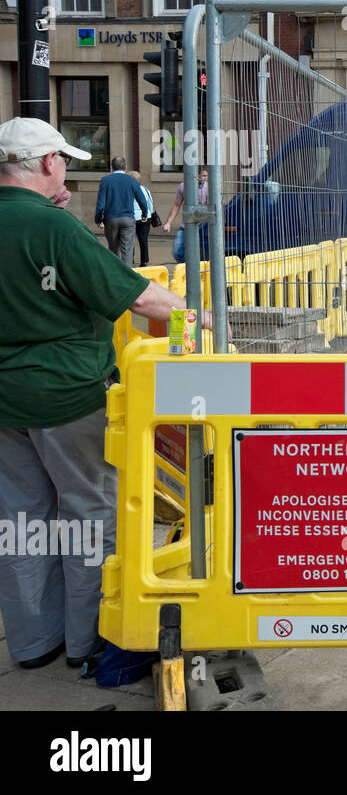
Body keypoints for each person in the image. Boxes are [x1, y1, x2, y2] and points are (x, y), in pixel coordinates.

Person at [0, 117, 215, 671]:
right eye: (63, 161)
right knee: (88, 515)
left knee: (22, 522)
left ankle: (31, 645)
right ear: (48, 163)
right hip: (68, 395)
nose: (66, 171)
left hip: (4, 401)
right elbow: (139, 300)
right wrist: (204, 323)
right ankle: (87, 639)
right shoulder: (53, 226)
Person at [93, 156, 149, 266]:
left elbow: (100, 203)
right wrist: (144, 213)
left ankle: (114, 274)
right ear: (126, 167)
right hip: (128, 219)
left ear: (111, 167)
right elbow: (142, 199)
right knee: (127, 250)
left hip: (111, 219)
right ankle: (127, 276)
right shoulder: (132, 180)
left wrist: (98, 219)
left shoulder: (105, 180)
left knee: (113, 249)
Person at [162, 166, 208, 263]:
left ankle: (194, 271)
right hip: (186, 225)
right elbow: (176, 205)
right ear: (197, 175)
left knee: (200, 253)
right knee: (177, 252)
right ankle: (187, 269)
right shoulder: (183, 186)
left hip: (202, 226)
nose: (205, 178)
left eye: (207, 176)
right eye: (203, 175)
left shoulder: (208, 187)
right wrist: (168, 222)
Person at [131, 170, 156, 266]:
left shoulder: (128, 190)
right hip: (145, 217)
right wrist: (148, 212)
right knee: (143, 240)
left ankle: (130, 259)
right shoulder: (145, 190)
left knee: (130, 240)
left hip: (132, 217)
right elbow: (150, 204)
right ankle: (144, 261)